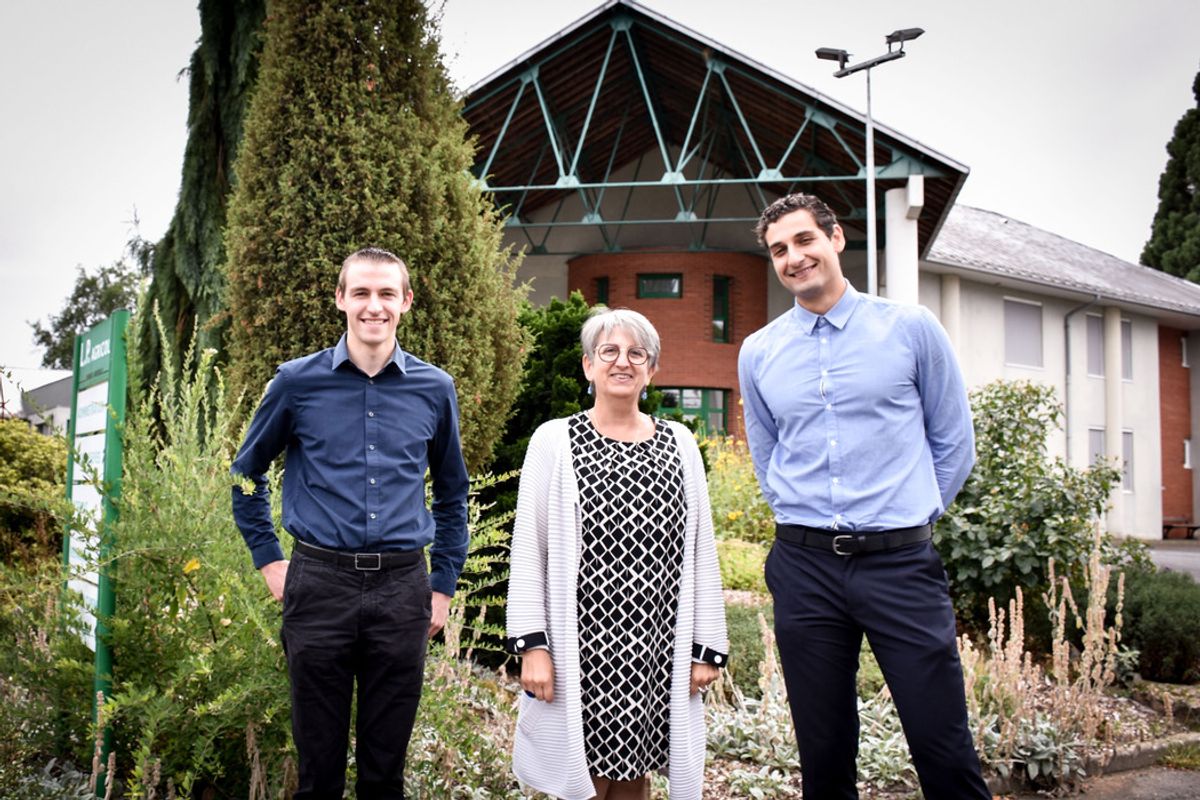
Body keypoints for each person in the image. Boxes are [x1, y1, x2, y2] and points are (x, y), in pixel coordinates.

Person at [738, 193, 991, 800]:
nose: (794, 258)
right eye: (779, 249)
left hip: (900, 565)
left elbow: (954, 443)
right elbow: (766, 454)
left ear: (835, 239)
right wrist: (799, 517)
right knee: (822, 751)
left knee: (942, 743)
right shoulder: (759, 351)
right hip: (804, 568)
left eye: (804, 240)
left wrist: (907, 517)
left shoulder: (910, 328)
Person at [231, 247, 469, 800]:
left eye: (386, 293)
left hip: (403, 589)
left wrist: (442, 587)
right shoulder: (296, 383)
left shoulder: (435, 388)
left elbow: (452, 494)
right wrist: (269, 561)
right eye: (361, 292)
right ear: (340, 299)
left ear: (406, 302)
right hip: (319, 586)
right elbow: (246, 475)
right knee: (319, 774)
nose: (373, 306)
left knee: (385, 776)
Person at [506, 307, 728, 800]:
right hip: (579, 646)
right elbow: (529, 549)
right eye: (608, 351)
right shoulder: (554, 440)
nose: (622, 362)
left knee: (635, 775)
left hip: (655, 648)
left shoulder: (680, 443)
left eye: (636, 354)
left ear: (652, 369)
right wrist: (532, 646)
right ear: (588, 366)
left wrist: (706, 647)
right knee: (581, 780)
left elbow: (702, 549)